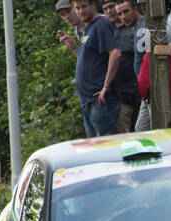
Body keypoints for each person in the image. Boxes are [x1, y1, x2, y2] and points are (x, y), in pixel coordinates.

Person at [61, 0, 122, 137]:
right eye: (77, 8)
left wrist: (106, 86)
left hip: (100, 101)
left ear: (93, 5)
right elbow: (88, 60)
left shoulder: (100, 25)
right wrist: (73, 47)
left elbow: (115, 54)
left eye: (84, 7)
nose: (81, 11)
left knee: (106, 147)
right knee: (94, 148)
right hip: (87, 100)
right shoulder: (86, 30)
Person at [115, 1, 150, 131]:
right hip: (144, 91)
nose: (123, 17)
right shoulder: (136, 28)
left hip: (152, 87)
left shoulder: (144, 27)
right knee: (140, 129)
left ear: (135, 10)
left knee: (157, 127)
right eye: (119, 14)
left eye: (126, 11)